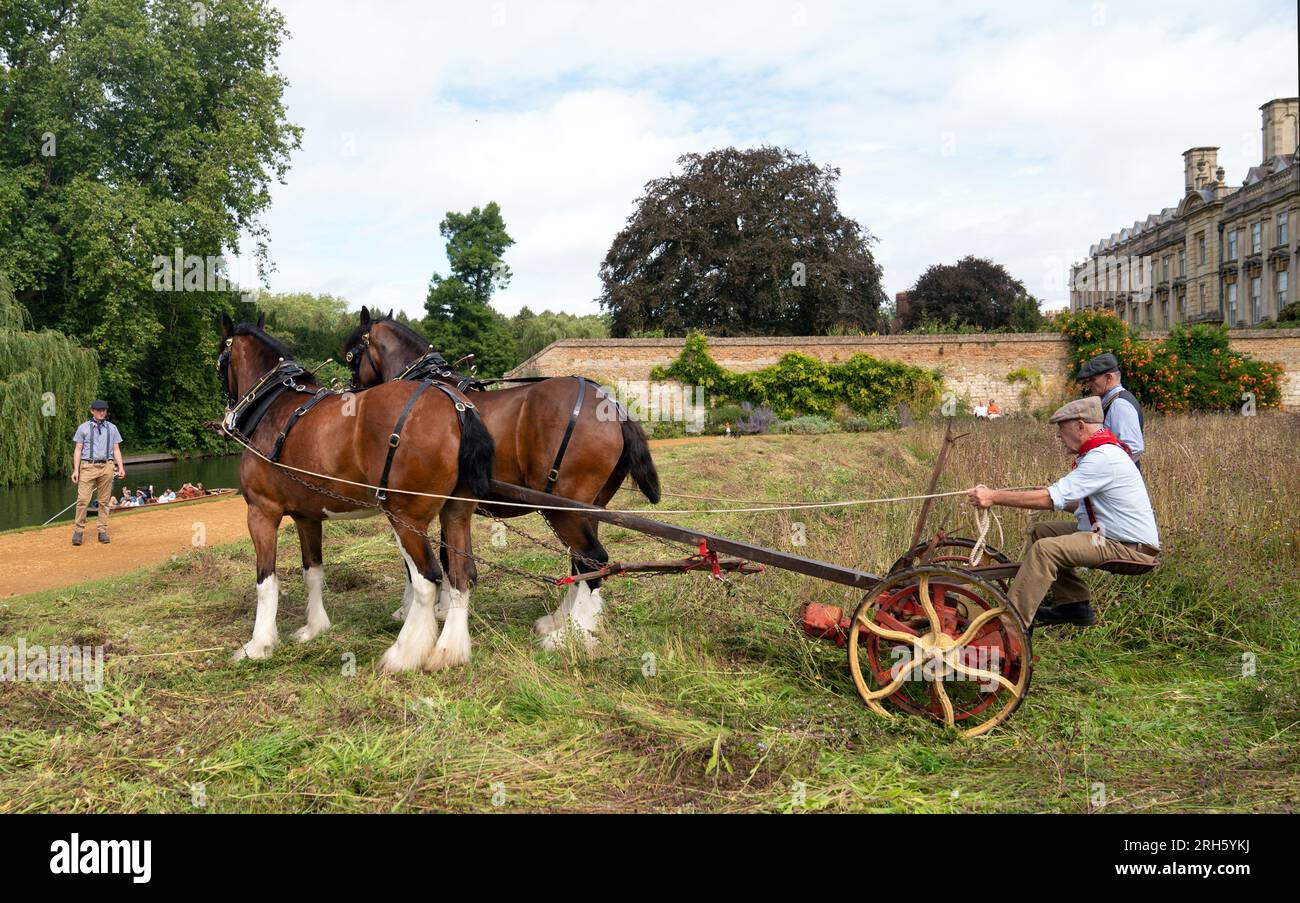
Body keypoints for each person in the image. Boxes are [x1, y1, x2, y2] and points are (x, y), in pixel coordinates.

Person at [967, 396, 1160, 628]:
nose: (1059, 435)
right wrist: (1054, 498)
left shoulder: (1103, 457)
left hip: (1125, 546)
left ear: (1080, 425)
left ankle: (1009, 627)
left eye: (1062, 428)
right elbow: (1086, 507)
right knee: (1044, 532)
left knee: (1045, 550)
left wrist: (993, 496)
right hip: (1108, 535)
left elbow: (1049, 499)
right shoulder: (1101, 453)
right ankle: (1074, 604)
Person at [70, 400, 125, 546]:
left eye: (104, 410)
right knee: (82, 500)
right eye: (99, 410)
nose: (102, 413)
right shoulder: (83, 428)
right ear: (92, 411)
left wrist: (120, 466)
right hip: (88, 466)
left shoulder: (112, 428)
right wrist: (76, 470)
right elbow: (78, 449)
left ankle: (102, 531)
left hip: (107, 466)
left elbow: (116, 449)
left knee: (104, 501)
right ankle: (78, 531)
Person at [1077, 352, 1144, 467]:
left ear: (1109, 378)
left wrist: (1105, 470)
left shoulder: (1120, 404)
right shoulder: (1113, 401)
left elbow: (1133, 448)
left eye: (1093, 379)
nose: (1089, 384)